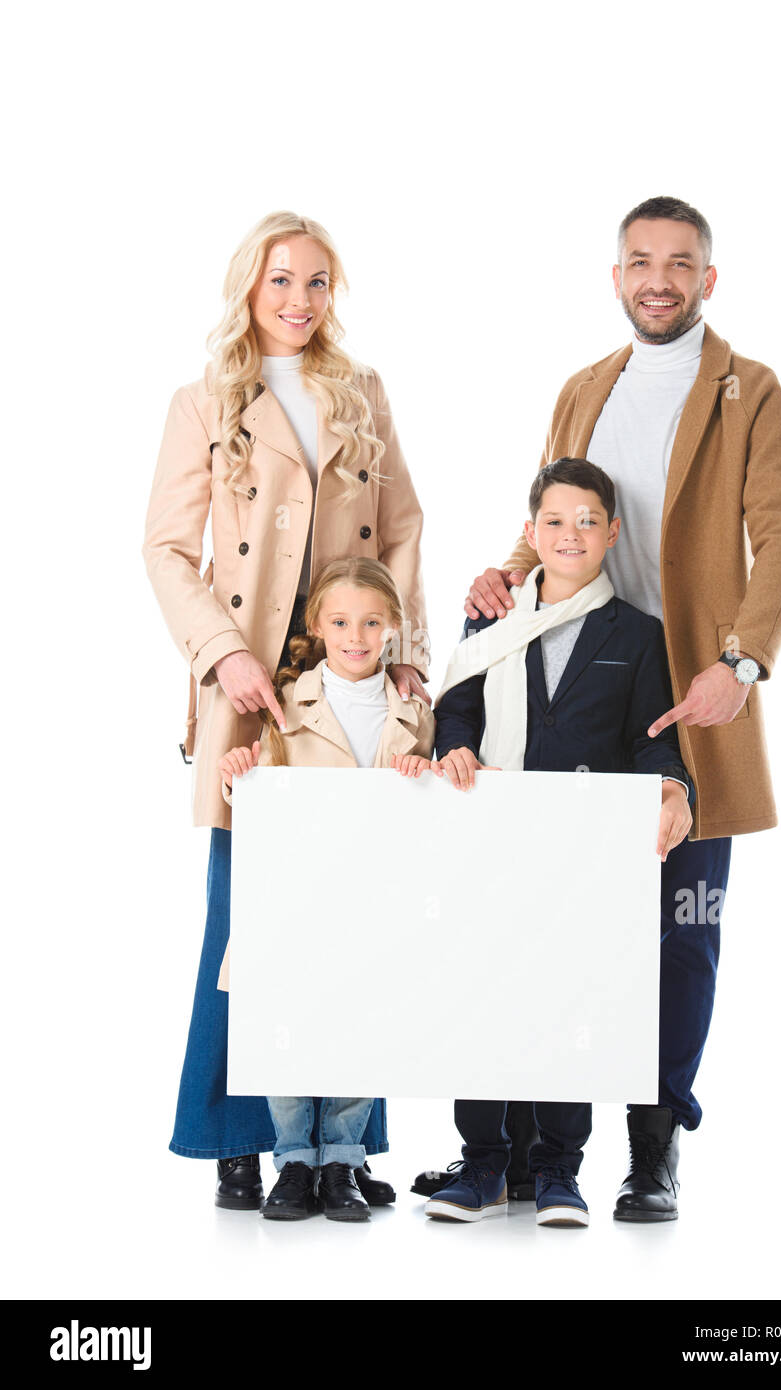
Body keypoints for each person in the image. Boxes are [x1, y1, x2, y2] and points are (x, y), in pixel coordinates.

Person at [416, 195, 781, 1221]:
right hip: (576, 696)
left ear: (708, 279)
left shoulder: (751, 390)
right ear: (617, 274)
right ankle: (508, 1147)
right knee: (528, 928)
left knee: (681, 931)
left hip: (689, 702)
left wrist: (745, 662)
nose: (660, 278)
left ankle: (653, 1146)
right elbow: (545, 510)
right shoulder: (584, 387)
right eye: (642, 260)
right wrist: (505, 578)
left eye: (681, 262)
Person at [142, 211, 430, 1211]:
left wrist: (405, 663)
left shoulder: (363, 393)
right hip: (250, 684)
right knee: (246, 925)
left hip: (352, 673)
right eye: (280, 282)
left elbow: (401, 531)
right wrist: (220, 656)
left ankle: (342, 1147)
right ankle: (240, 1139)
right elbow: (166, 549)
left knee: (356, 915)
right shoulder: (204, 401)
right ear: (248, 289)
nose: (300, 301)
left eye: (317, 282)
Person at [415, 458, 693, 1226]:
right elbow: (457, 706)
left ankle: (559, 1173)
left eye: (586, 521)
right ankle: (481, 1170)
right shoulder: (491, 618)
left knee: (569, 1000)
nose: (569, 535)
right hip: (491, 832)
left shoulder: (639, 636)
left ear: (610, 533)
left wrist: (675, 790)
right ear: (529, 532)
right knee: (481, 997)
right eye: (553, 521)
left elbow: (651, 743)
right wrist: (455, 747)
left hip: (580, 849)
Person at [216, 558, 434, 1220]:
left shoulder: (415, 713)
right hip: (298, 899)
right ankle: (293, 1163)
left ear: (393, 627)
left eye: (371, 622)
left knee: (358, 1024)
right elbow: (261, 786)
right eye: (340, 622)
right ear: (317, 627)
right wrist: (236, 772)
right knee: (288, 1021)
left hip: (374, 901)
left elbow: (431, 803)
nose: (356, 635)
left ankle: (341, 1158)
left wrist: (421, 770)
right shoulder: (287, 705)